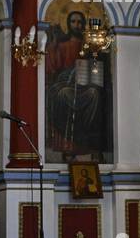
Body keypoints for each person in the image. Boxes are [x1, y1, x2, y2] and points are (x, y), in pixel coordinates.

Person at [46, 10, 109, 158]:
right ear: (68, 23)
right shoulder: (62, 45)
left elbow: (97, 67)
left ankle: (88, 140)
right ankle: (68, 145)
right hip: (65, 84)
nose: (77, 25)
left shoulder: (91, 45)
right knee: (64, 94)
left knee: (95, 94)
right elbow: (53, 69)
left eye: (80, 22)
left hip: (86, 85)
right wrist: (53, 45)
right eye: (73, 21)